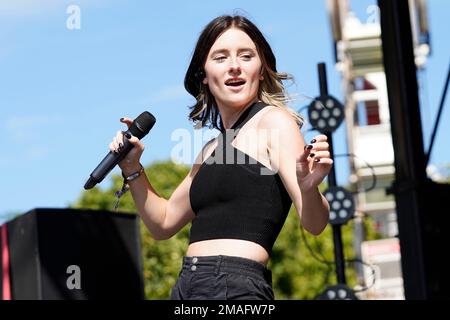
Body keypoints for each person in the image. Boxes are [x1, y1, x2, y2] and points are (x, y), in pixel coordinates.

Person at [109, 15, 332, 300]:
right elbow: (162, 223)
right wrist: (132, 167)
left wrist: (308, 187)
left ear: (261, 70)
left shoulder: (274, 122)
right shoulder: (212, 149)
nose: (234, 66)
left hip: (236, 287)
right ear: (203, 73)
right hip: (188, 285)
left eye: (246, 56)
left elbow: (315, 224)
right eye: (221, 57)